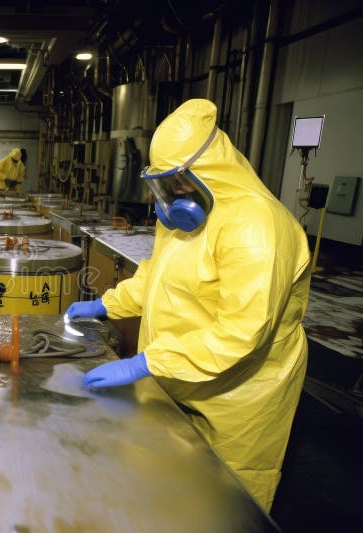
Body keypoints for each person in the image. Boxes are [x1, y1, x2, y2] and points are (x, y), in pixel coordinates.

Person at [65, 99, 310, 512]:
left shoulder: (257, 228)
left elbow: (239, 334)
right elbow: (157, 279)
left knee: (225, 506)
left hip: (239, 397)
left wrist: (145, 363)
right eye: (164, 183)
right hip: (176, 373)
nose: (173, 195)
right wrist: (107, 305)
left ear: (208, 168)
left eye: (178, 181)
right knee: (165, 493)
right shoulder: (183, 219)